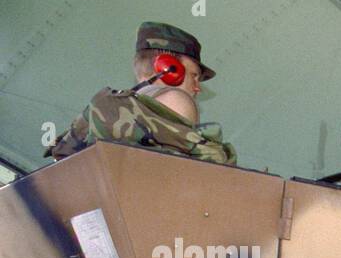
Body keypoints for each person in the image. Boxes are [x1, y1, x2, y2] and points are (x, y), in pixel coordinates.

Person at [45, 22, 235, 165]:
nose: (197, 87)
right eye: (194, 75)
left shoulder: (113, 106)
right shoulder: (176, 99)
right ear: (169, 68)